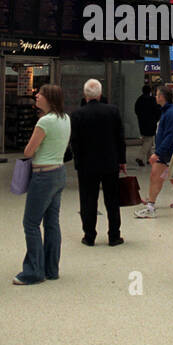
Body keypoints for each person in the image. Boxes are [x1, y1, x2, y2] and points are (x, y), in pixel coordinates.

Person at [13, 83, 70, 285]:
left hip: (43, 176)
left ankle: (33, 271)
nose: (36, 96)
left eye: (40, 94)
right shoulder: (65, 118)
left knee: (31, 223)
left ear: (49, 98)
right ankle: (51, 269)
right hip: (59, 173)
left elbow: (28, 151)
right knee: (52, 222)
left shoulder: (44, 122)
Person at [69, 78, 127, 247]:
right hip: (110, 163)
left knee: (88, 200)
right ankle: (114, 236)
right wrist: (121, 160)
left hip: (87, 165)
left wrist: (78, 163)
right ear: (100, 94)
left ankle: (89, 236)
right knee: (112, 200)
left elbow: (75, 142)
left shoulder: (77, 114)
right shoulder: (113, 111)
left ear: (84, 95)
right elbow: (120, 138)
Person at [135, 86, 173, 217]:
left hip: (168, 154)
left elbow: (170, 135)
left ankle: (151, 206)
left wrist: (158, 152)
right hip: (167, 154)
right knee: (157, 177)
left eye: (157, 95)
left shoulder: (171, 113)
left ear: (162, 97)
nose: (155, 97)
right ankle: (151, 205)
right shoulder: (167, 112)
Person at [133, 83, 161, 166]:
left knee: (147, 139)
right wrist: (156, 119)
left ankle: (150, 159)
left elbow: (136, 110)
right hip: (151, 122)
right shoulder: (152, 99)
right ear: (150, 91)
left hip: (142, 122)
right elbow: (157, 111)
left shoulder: (139, 99)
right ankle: (140, 157)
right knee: (148, 140)